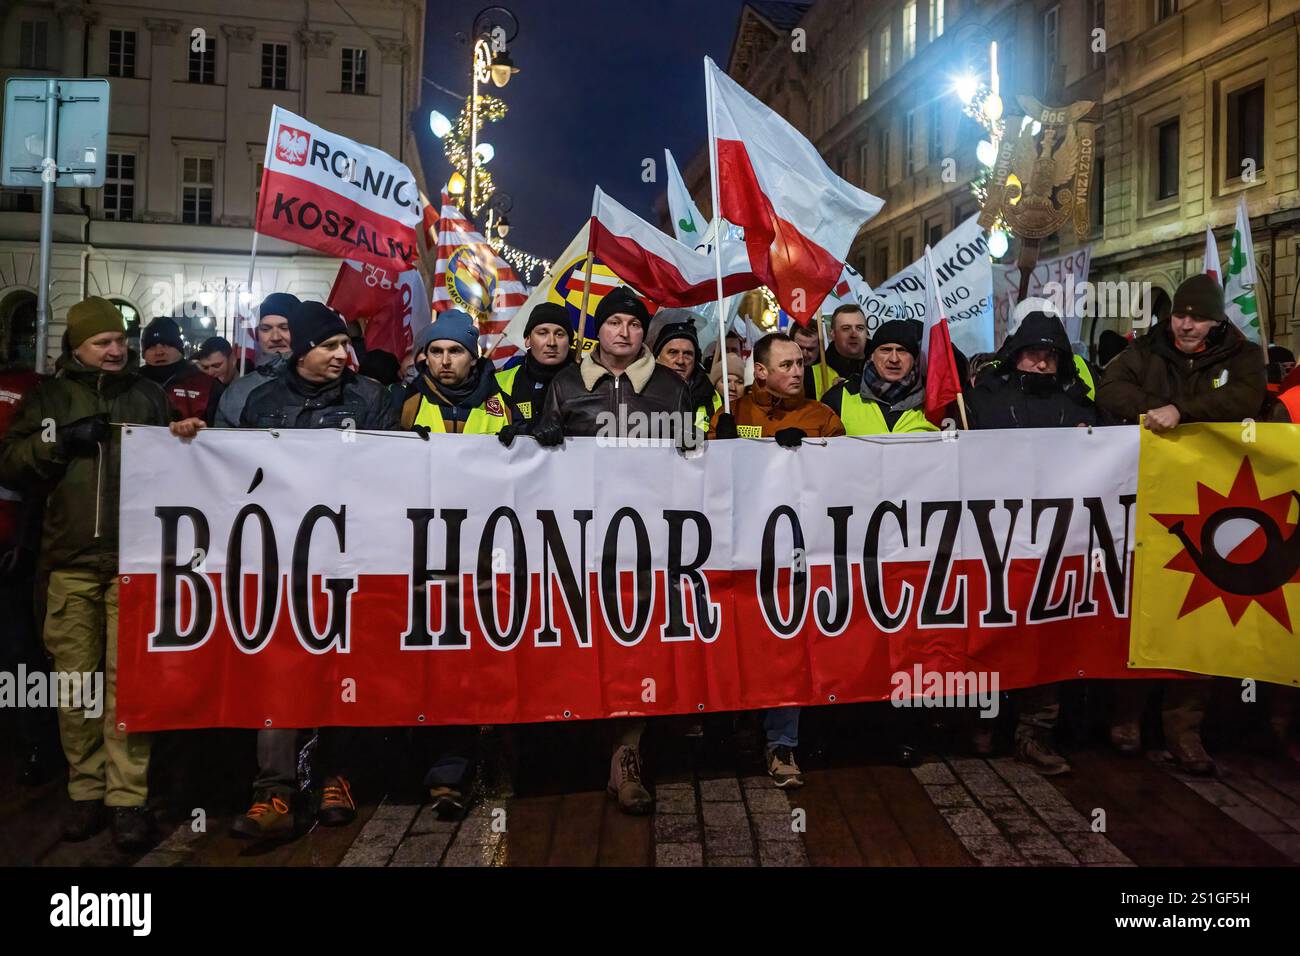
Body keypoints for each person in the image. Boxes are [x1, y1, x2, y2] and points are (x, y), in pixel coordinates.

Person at [0, 296, 170, 850]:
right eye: (102, 342)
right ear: (77, 347)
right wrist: (58, 439)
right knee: (77, 687)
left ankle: (127, 800)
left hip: (135, 565)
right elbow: (11, 462)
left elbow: (179, 466)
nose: (115, 349)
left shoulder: (147, 396)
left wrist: (189, 436)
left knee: (130, 689)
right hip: (69, 564)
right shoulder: (47, 398)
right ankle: (86, 791)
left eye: (120, 340)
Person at [229, 302, 397, 840]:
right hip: (279, 560)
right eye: (330, 346)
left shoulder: (369, 398)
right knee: (279, 670)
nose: (342, 355)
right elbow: (228, 468)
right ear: (303, 350)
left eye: (344, 345)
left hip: (351, 559)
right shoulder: (261, 401)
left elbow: (388, 472)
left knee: (342, 670)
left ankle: (335, 777)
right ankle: (274, 790)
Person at [1096, 273, 1267, 775]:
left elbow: (1245, 400)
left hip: (1213, 504)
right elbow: (1111, 389)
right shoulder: (1146, 351)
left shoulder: (1243, 356)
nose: (1186, 325)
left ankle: (1184, 728)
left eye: (1197, 317)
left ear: (1216, 322)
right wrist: (1154, 411)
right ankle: (1126, 719)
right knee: (1145, 605)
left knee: (1200, 613)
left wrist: (1182, 411)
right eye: (1180, 315)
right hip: (1149, 497)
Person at [537, 286, 694, 815]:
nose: (623, 332)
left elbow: (693, 462)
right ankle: (583, 748)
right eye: (613, 323)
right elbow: (542, 461)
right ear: (597, 331)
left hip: (646, 542)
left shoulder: (671, 387)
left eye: (633, 324)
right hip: (579, 541)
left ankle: (627, 757)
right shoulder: (565, 385)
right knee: (584, 643)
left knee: (635, 645)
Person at [966, 310, 1101, 775]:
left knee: (1046, 632)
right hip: (994, 535)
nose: (1040, 365)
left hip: (1056, 540)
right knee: (994, 629)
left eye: (1049, 356)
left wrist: (1092, 442)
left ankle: (1035, 732)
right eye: (1032, 355)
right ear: (1015, 355)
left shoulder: (1079, 403)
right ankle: (986, 720)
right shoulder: (984, 399)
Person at [708, 332, 844, 788]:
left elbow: (843, 483)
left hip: (796, 552)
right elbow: (703, 480)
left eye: (800, 363)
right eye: (785, 365)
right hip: (739, 550)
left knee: (787, 645)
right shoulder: (734, 413)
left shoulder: (822, 417)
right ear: (760, 371)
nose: (796, 371)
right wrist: (719, 442)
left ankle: (782, 742)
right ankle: (735, 731)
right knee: (741, 643)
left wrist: (808, 457)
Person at [0, 356, 62, 787]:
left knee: (19, 651)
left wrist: (25, 538)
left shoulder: (32, 387)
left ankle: (37, 742)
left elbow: (40, 471)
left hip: (12, 546)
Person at [399, 310, 518, 436]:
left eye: (455, 351)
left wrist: (518, 442)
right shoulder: (406, 401)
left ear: (473, 359)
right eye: (436, 351)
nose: (445, 361)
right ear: (427, 358)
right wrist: (406, 444)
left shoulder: (505, 405)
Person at [821, 320, 939, 435]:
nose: (894, 359)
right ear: (872, 355)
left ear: (915, 358)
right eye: (885, 350)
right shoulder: (839, 397)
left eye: (902, 351)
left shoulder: (935, 400)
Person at [214, 292, 299, 427]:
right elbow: (222, 443)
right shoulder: (237, 390)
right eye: (266, 329)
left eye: (284, 328)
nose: (275, 337)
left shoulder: (322, 382)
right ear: (257, 334)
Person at [494, 302, 573, 422]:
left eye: (559, 334)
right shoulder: (498, 384)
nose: (551, 342)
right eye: (542, 333)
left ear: (570, 342)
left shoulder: (588, 384)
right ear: (527, 340)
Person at [137, 316, 223, 426]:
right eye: (152, 346)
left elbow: (220, 434)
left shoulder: (207, 386)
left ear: (179, 349)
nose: (159, 352)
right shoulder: (132, 384)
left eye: (166, 345)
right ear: (144, 353)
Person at [653, 315, 719, 427]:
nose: (680, 360)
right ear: (657, 357)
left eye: (688, 354)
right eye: (673, 352)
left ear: (696, 360)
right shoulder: (639, 391)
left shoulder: (714, 399)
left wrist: (725, 437)